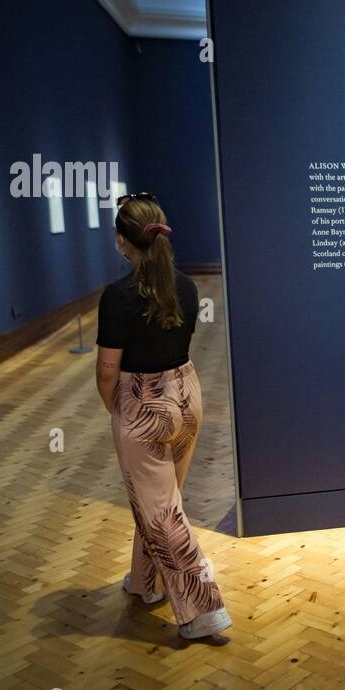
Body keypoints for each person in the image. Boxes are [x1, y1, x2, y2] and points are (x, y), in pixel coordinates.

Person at [95, 192, 232, 640]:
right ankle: (145, 583)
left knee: (163, 512)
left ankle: (204, 609)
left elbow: (106, 370)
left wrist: (119, 408)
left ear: (121, 242)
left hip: (142, 401)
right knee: (159, 501)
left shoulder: (117, 297)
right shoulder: (187, 286)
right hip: (186, 394)